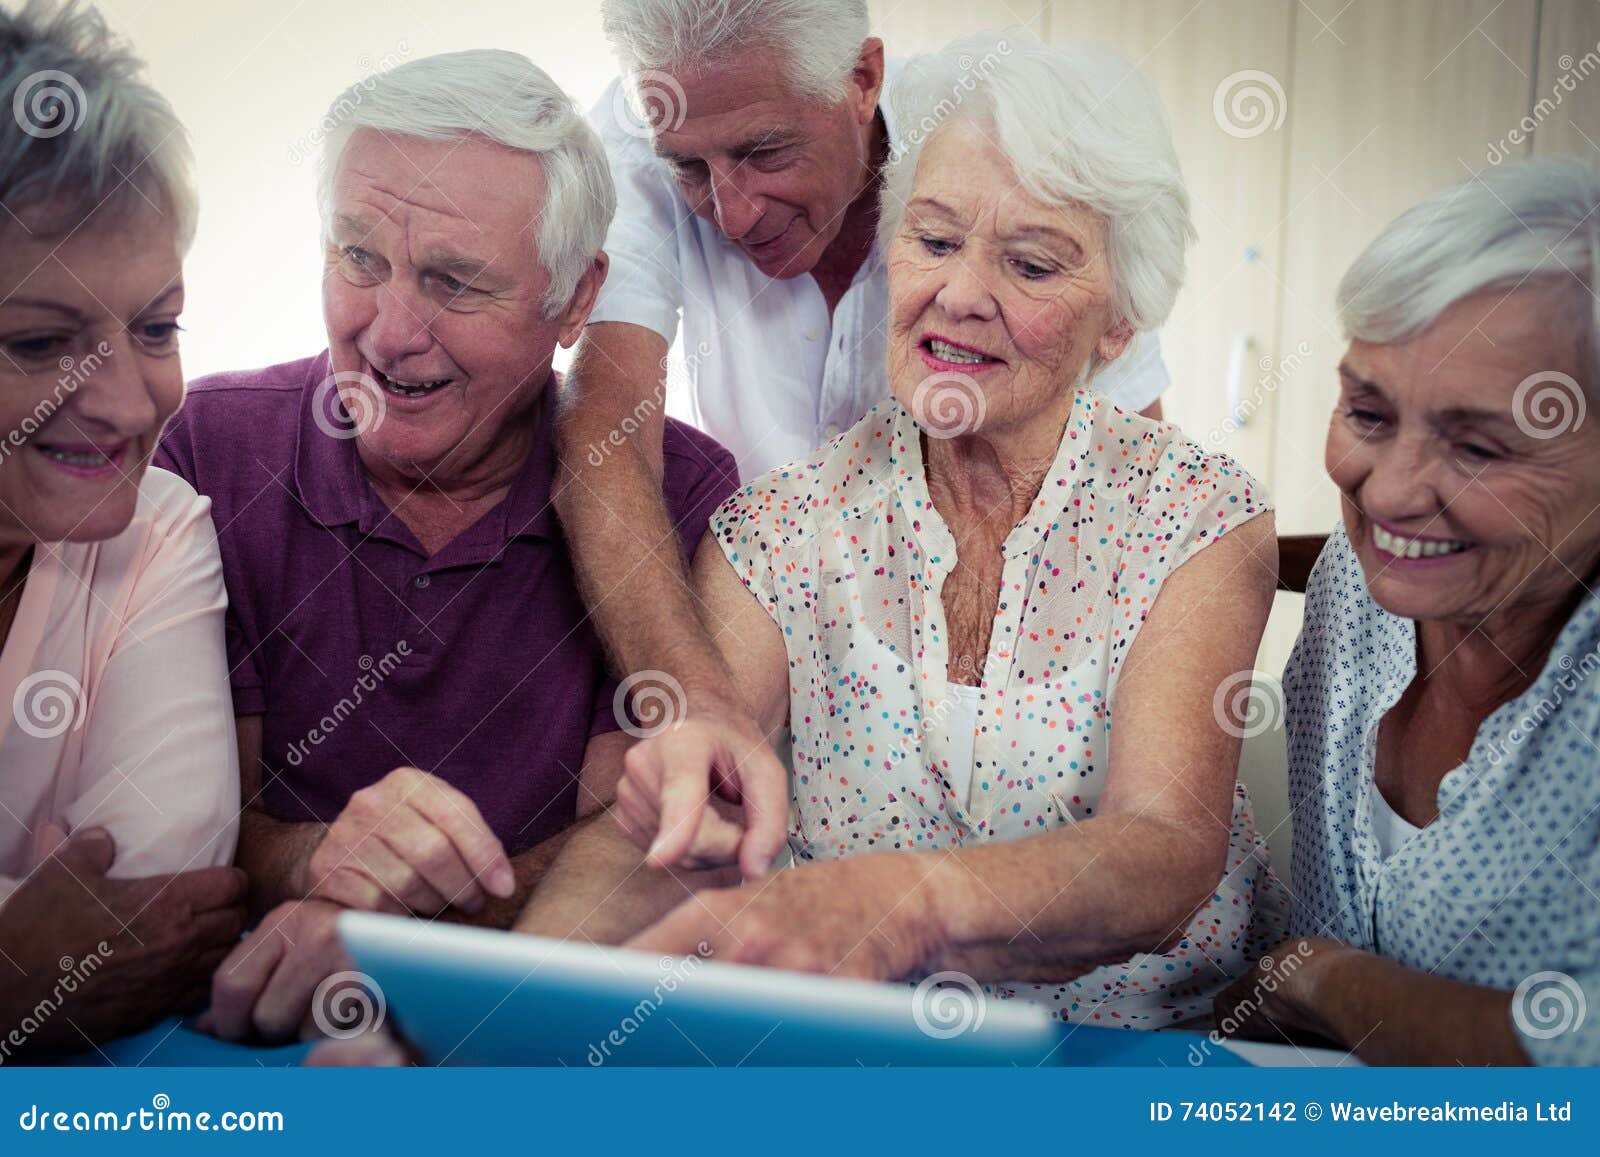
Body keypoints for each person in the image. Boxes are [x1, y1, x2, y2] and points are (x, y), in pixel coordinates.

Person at [518, 35, 1288, 1028]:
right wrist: (499, 1017)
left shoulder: (1197, 516)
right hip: (866, 1059)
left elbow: (1162, 848)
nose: (960, 293)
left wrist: (901, 899)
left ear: (1119, 324)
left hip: (1146, 1051)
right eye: (931, 241)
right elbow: (656, 834)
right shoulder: (774, 531)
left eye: (1030, 262)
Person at [153, 50, 739, 1042]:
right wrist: (311, 860)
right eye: (358, 258)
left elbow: (639, 846)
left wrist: (398, 949)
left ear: (575, 299)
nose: (387, 333)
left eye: (453, 284)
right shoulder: (211, 447)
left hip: (530, 1037)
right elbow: (186, 828)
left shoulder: (682, 496)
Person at [552, 0, 1180, 877]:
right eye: (690, 169)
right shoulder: (768, 537)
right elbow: (605, 433)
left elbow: (1133, 489)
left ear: (862, 82)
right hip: (765, 641)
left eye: (767, 152)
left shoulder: (990, 144)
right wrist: (696, 701)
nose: (730, 213)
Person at [1215, 159, 1600, 1066]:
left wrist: (1323, 980)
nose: (1387, 493)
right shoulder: (1364, 582)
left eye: (1477, 446)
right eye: (1368, 412)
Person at [0, 0, 245, 1055]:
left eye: (156, 327)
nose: (128, 401)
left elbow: (154, 894)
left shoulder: (158, 526)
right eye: (43, 342)